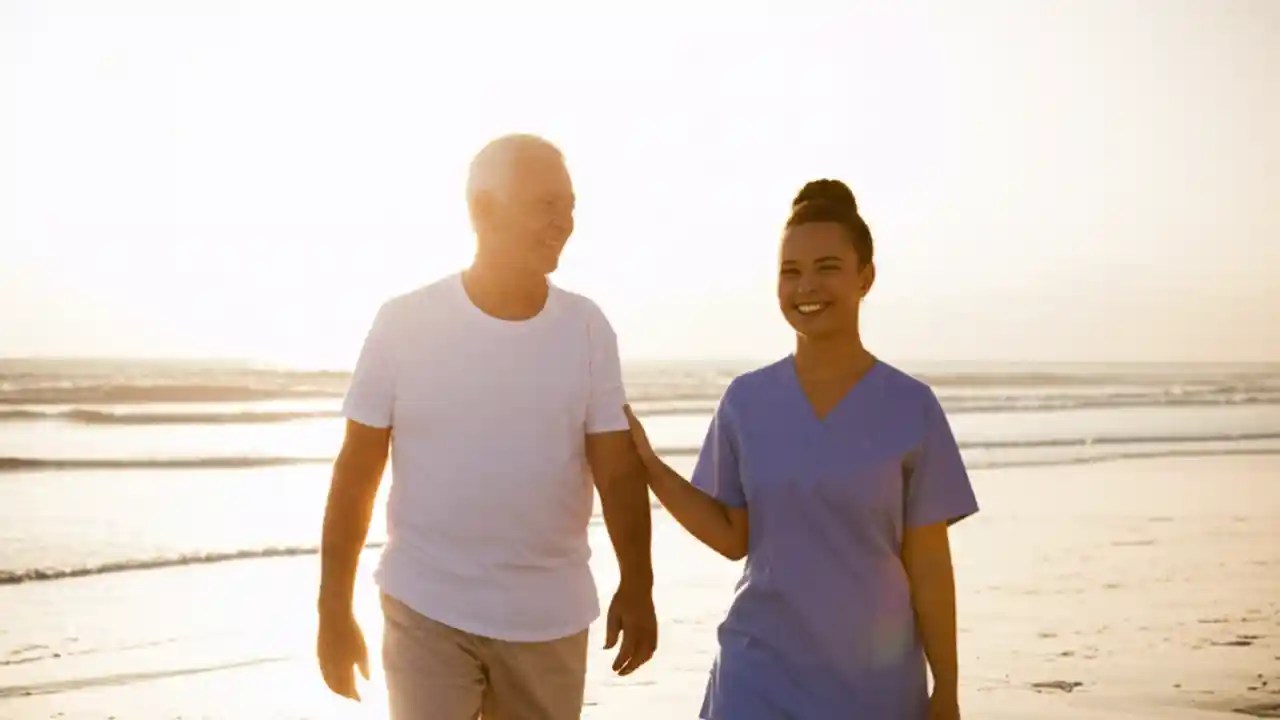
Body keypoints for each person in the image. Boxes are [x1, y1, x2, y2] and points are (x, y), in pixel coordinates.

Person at [317, 134, 657, 719]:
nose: (564, 221)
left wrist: (639, 583)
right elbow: (356, 472)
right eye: (545, 204)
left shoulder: (585, 327)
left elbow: (617, 467)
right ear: (482, 209)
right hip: (427, 601)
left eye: (570, 204)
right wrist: (333, 609)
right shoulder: (405, 323)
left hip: (548, 616)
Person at [625, 179, 978, 719]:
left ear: (866, 277)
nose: (805, 286)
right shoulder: (747, 400)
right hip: (756, 676)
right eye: (790, 272)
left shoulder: (912, 407)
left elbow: (928, 563)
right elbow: (730, 536)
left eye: (827, 267)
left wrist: (947, 687)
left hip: (874, 686)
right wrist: (650, 467)